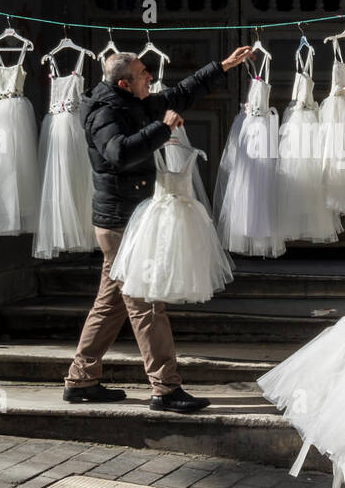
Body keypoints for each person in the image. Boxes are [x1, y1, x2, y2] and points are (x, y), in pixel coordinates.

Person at [64, 45, 256, 412]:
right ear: (124, 82)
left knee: (111, 304)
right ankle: (165, 388)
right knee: (147, 304)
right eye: (142, 73)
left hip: (126, 219)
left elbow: (179, 94)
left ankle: (81, 378)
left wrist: (223, 66)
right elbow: (118, 152)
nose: (149, 76)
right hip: (121, 222)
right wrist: (161, 128)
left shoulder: (130, 101)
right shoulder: (106, 111)